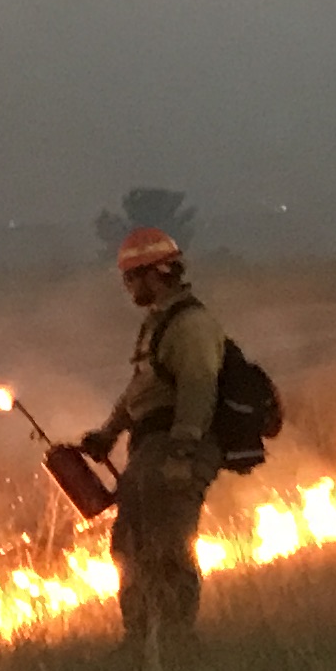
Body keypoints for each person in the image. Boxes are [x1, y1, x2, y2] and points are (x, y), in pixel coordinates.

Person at [79, 228, 227, 644]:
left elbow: (199, 387)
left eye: (131, 277)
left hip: (173, 447)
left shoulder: (191, 324)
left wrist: (182, 453)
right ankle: (141, 639)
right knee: (130, 546)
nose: (127, 288)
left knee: (168, 548)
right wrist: (108, 434)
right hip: (148, 450)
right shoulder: (158, 324)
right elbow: (140, 389)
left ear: (155, 273)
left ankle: (176, 641)